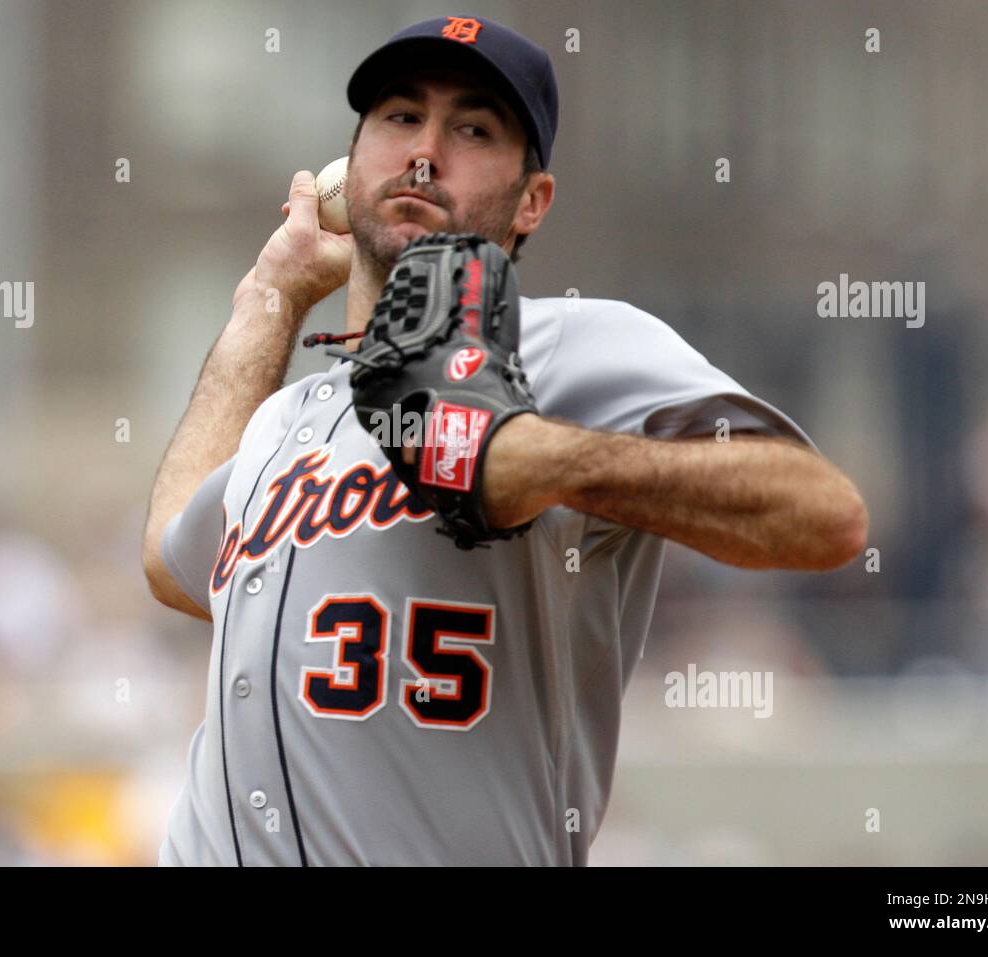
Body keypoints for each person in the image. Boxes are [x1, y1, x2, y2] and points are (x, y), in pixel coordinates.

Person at [143, 15, 867, 866]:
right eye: (400, 117)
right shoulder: (286, 415)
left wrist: (532, 459)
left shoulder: (566, 345)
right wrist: (271, 294)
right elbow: (171, 561)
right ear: (351, 164)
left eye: (474, 128)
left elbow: (826, 516)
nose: (425, 151)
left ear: (532, 200)